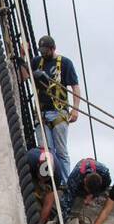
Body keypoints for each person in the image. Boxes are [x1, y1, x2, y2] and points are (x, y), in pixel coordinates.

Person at [29, 35, 81, 184]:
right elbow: (24, 77)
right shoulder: (36, 62)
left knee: (61, 151)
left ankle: (64, 182)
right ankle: (50, 182)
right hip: (41, 113)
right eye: (41, 51)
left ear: (53, 48)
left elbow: (75, 87)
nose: (43, 53)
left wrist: (75, 109)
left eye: (46, 50)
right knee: (46, 151)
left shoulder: (64, 63)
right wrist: (23, 55)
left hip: (59, 113)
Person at [49, 157, 111, 224]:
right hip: (81, 169)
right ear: (84, 180)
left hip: (95, 169)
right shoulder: (74, 178)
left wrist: (93, 195)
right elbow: (66, 203)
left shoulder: (104, 173)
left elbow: (106, 185)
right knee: (71, 197)